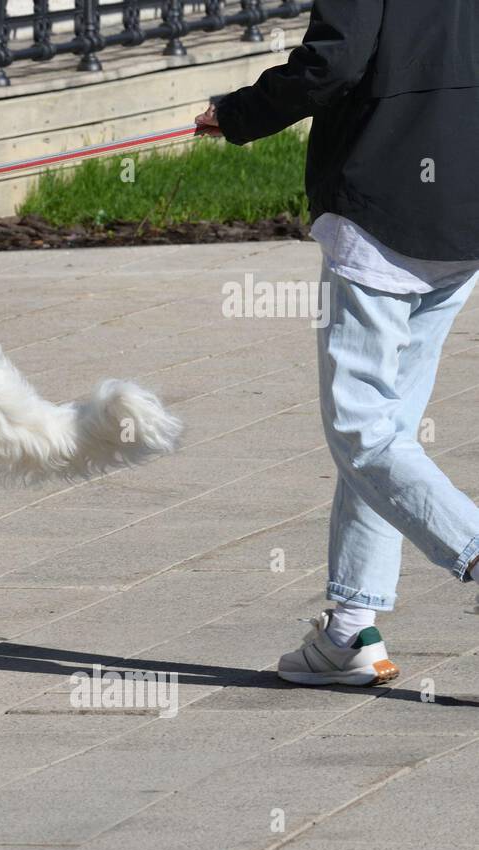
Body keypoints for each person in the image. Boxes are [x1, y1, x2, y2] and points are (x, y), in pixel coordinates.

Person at [195, 0, 479, 686]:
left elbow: (333, 62)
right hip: (462, 209)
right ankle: (351, 627)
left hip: (385, 208)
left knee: (362, 429)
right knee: (390, 432)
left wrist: (237, 114)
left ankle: (470, 549)